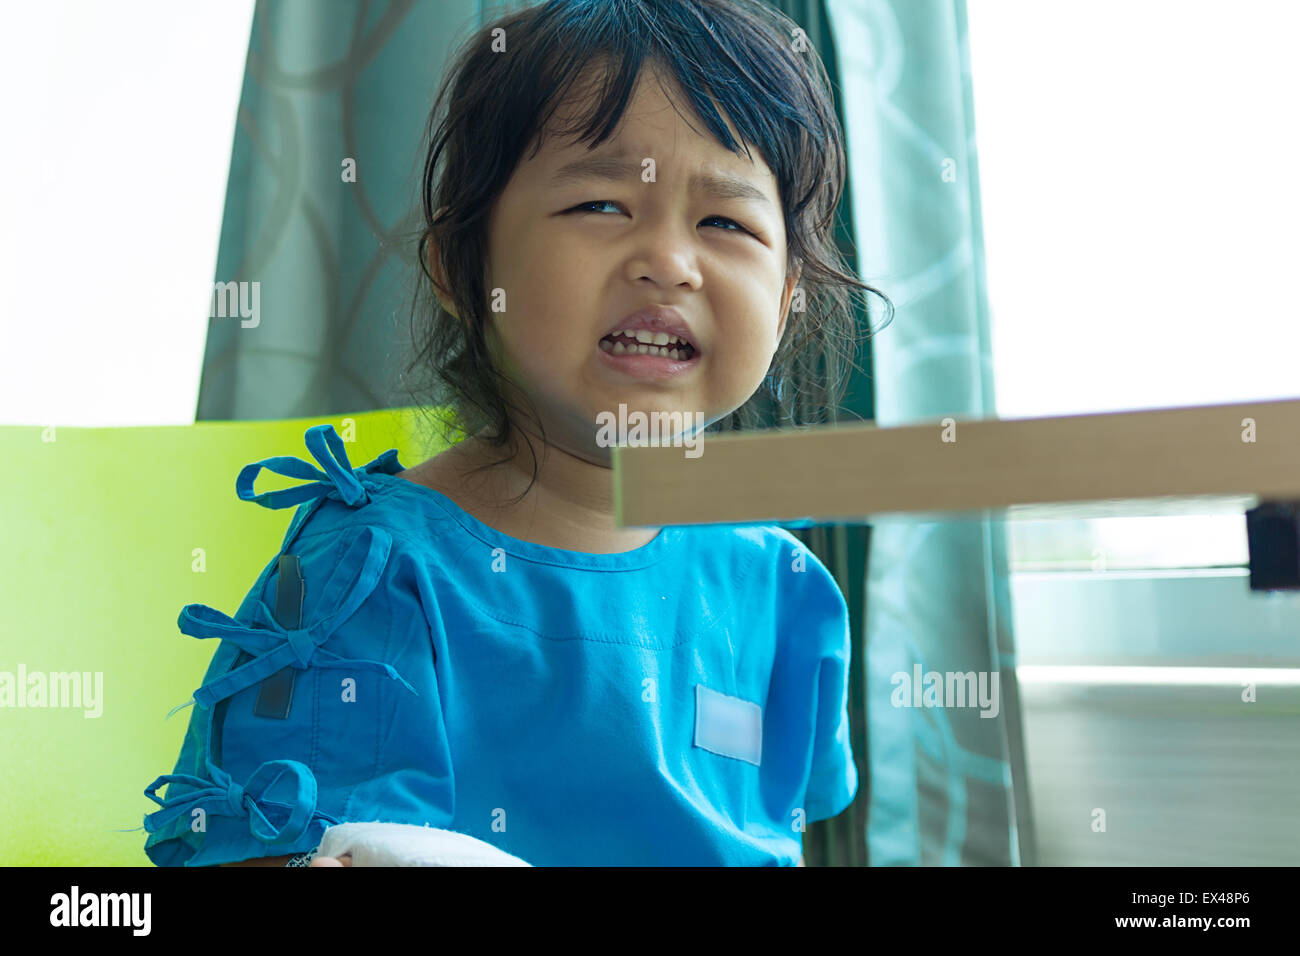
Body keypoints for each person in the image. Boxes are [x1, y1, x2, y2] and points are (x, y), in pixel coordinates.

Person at [141, 0, 887, 867]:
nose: (670, 262)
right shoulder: (372, 574)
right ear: (463, 268)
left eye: (726, 223)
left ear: (791, 292)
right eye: (602, 204)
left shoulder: (783, 586)